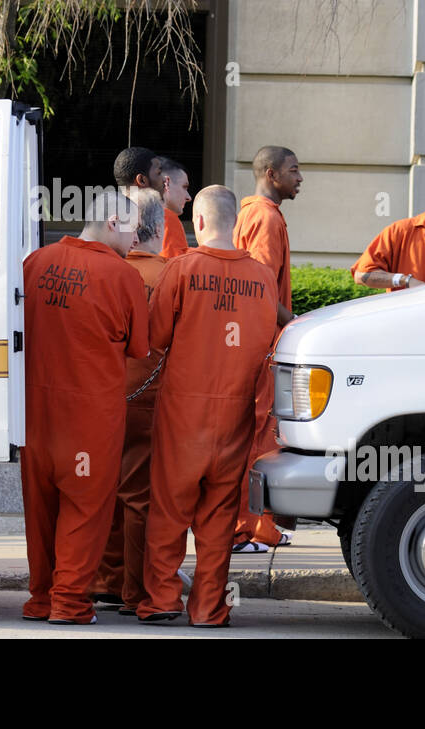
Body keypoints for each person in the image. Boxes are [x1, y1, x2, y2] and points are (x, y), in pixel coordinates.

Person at [138, 186, 277, 626]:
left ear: (197, 223)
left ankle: (161, 600)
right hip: (236, 414)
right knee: (218, 521)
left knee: (167, 512)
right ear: (235, 223)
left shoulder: (179, 270)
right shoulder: (262, 278)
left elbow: (153, 340)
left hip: (183, 414)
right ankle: (207, 608)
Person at [21, 188, 149, 624]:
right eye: (133, 228)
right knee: (84, 512)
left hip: (35, 417)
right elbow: (138, 348)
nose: (137, 239)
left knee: (41, 513)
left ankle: (40, 600)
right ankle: (69, 603)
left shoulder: (34, 263)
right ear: (113, 222)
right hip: (90, 421)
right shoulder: (123, 276)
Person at [89, 188, 169, 613]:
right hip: (148, 399)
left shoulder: (101, 272)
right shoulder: (171, 274)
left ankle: (103, 578)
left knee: (100, 491)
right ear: (161, 225)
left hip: (98, 398)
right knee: (139, 499)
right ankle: (133, 591)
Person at [231, 145, 302, 551]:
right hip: (259, 345)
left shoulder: (257, 213)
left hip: (254, 341)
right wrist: (293, 323)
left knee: (255, 435)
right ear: (272, 175)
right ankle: (249, 528)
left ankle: (250, 526)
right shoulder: (265, 216)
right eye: (293, 170)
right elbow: (260, 288)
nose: (300, 178)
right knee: (259, 436)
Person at [154, 156, 191, 259]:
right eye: (184, 187)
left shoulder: (131, 216)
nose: (188, 197)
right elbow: (177, 269)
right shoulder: (167, 219)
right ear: (167, 183)